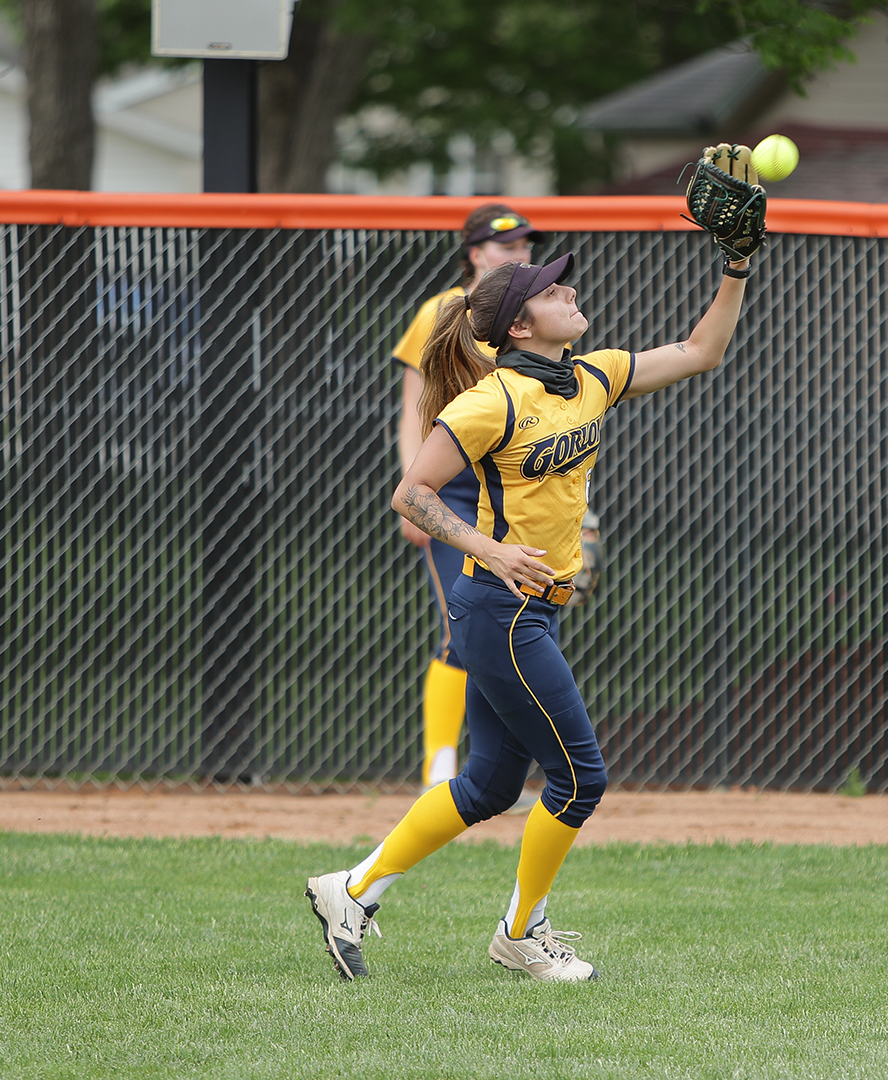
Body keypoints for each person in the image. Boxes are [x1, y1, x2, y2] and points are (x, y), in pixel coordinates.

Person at [306, 232, 755, 982]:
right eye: (551, 292)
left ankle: (350, 891)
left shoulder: (593, 377)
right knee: (580, 778)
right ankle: (520, 932)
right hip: (500, 611)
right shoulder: (490, 401)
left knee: (488, 784)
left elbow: (702, 350)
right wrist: (487, 548)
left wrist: (736, 265)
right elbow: (410, 494)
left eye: (563, 287)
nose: (569, 294)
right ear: (519, 326)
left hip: (529, 614)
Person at [391, 205, 543, 789]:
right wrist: (412, 487)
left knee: (514, 626)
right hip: (450, 484)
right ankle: (440, 765)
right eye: (504, 244)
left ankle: (492, 768)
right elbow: (413, 404)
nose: (518, 251)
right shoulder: (443, 310)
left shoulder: (532, 313)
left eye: (525, 243)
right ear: (474, 253)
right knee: (463, 629)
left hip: (510, 481)